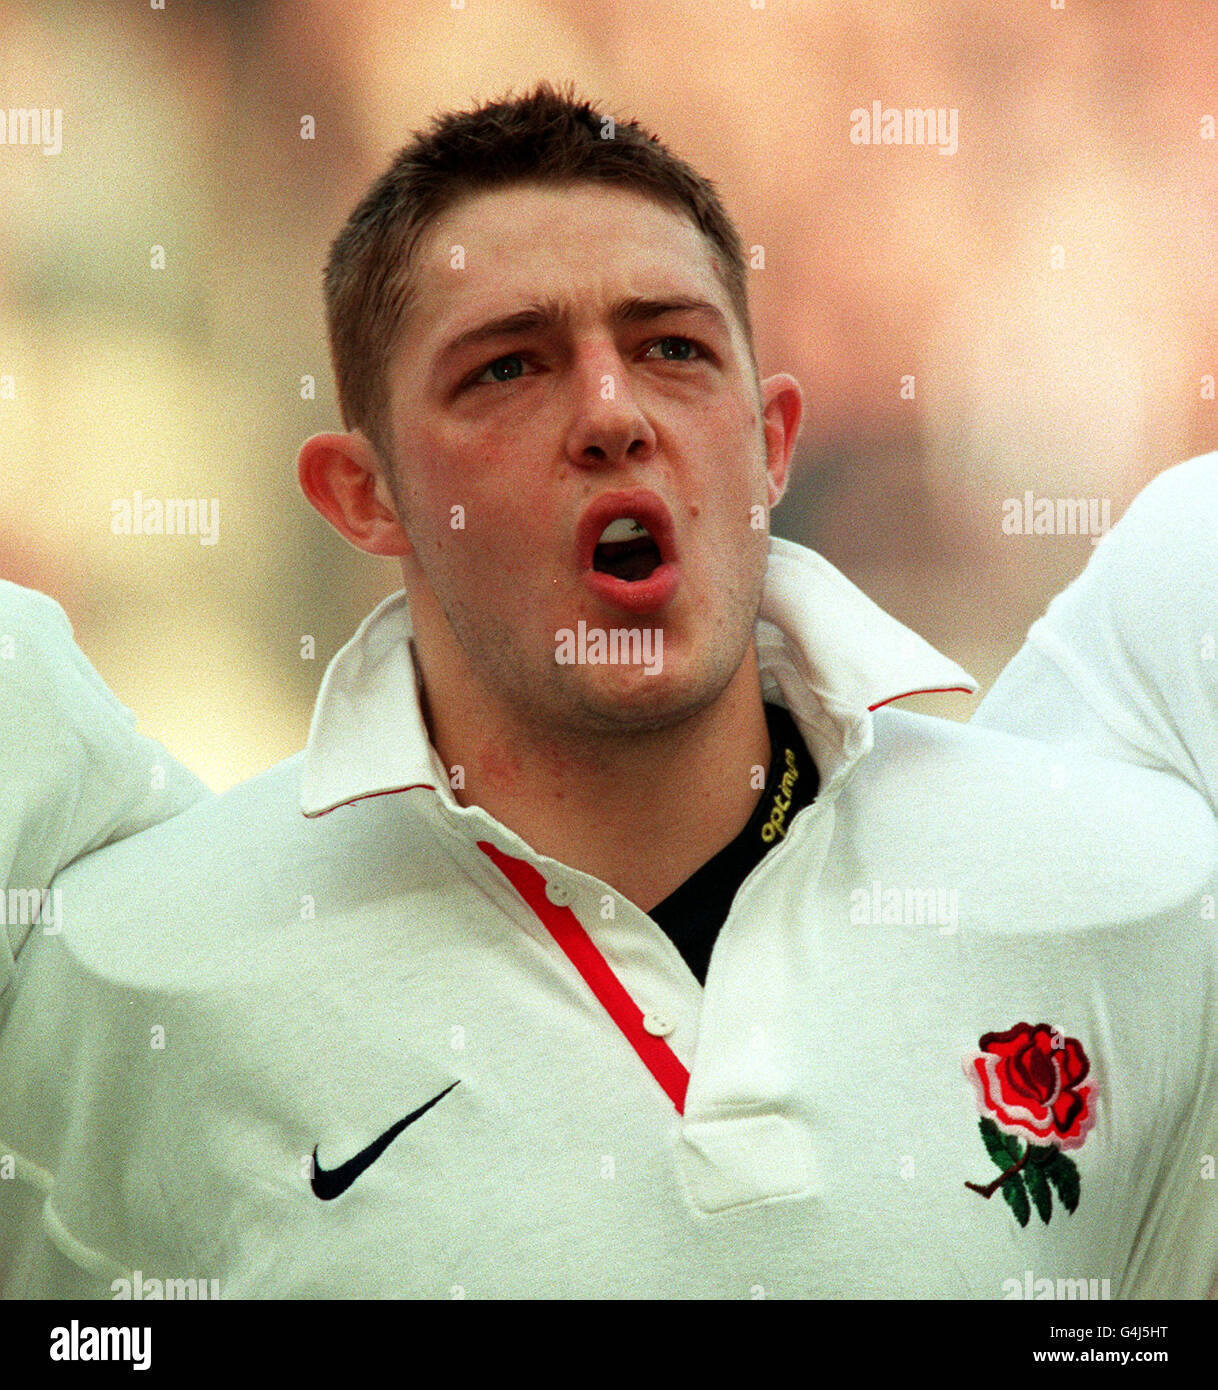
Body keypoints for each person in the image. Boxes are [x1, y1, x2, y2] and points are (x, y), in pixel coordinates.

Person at [1, 83, 1214, 1300]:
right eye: (507, 368)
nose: (611, 414)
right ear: (363, 495)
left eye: (672, 349)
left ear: (773, 439)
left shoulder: (1134, 893)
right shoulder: (140, 983)